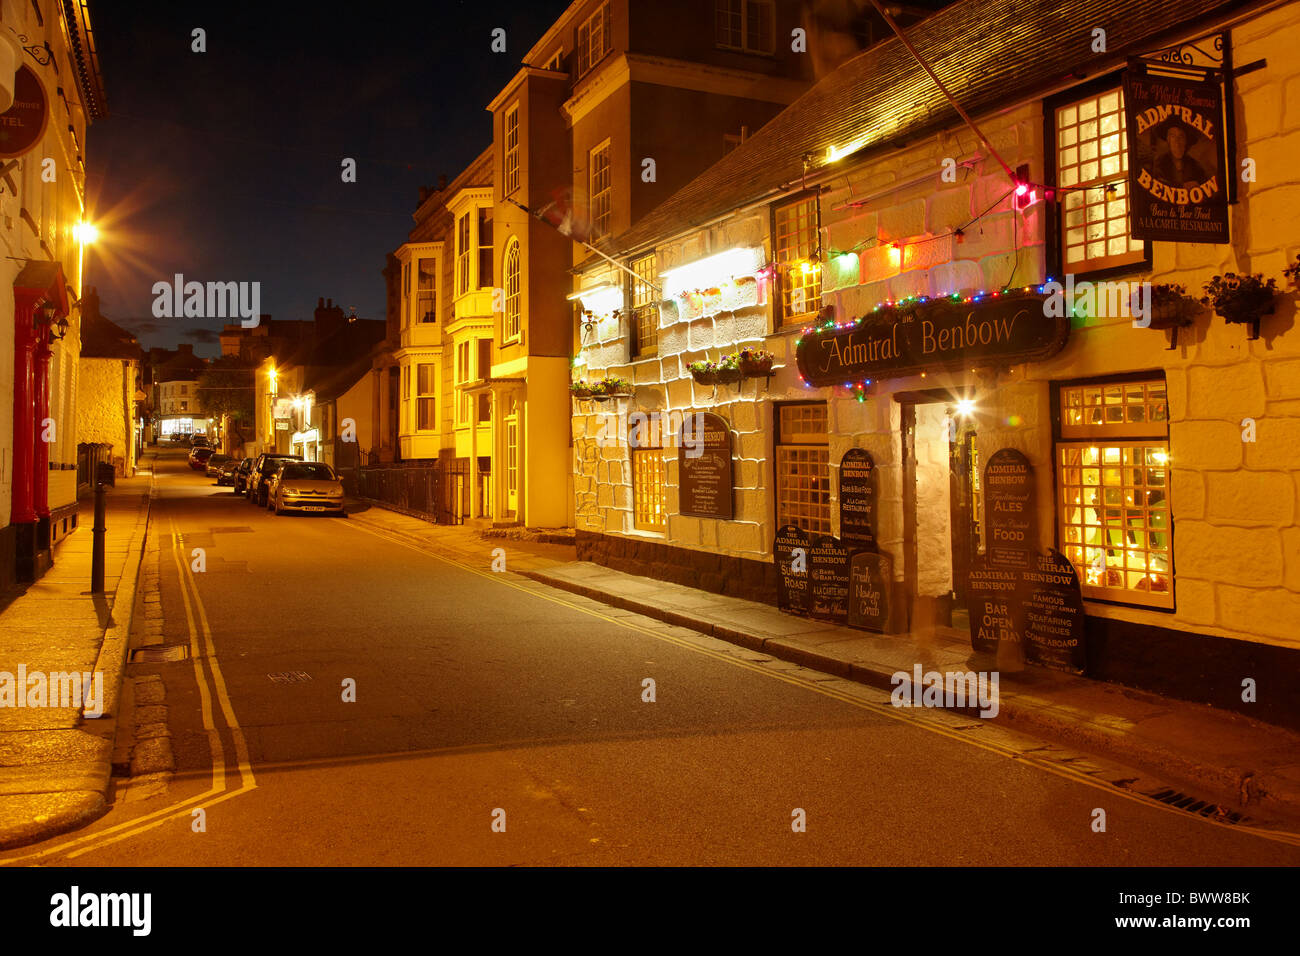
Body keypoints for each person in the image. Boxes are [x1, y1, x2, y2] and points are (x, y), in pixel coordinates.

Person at [1151, 119, 1207, 188]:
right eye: (1173, 137)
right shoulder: (1160, 163)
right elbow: (1158, 184)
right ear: (1168, 141)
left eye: (1181, 137)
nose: (1177, 143)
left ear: (1186, 141)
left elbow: (1204, 184)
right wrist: (1182, 186)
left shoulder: (1195, 165)